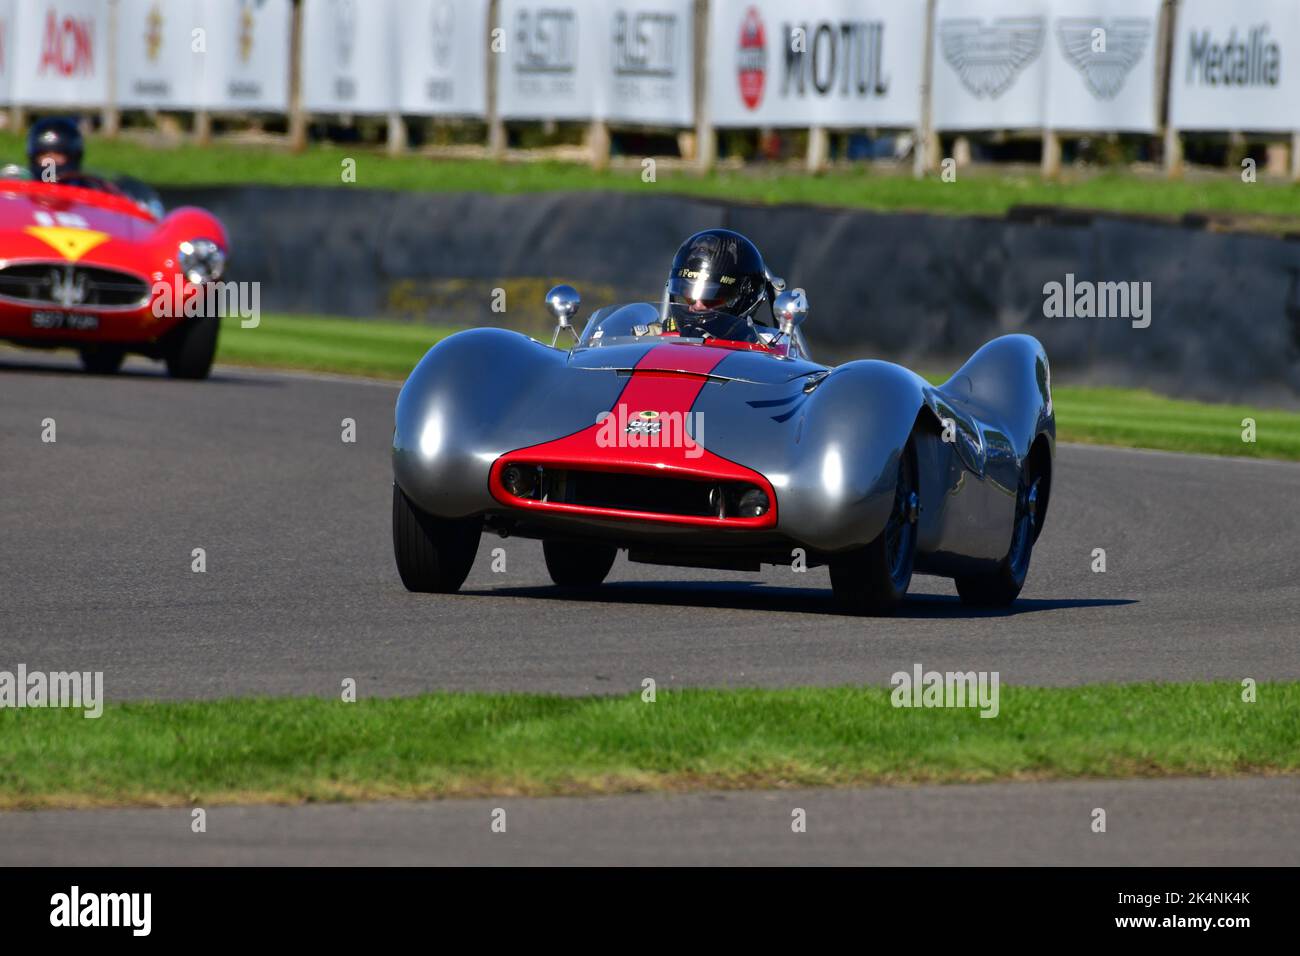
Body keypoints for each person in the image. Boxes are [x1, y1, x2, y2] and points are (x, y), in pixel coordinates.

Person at [27, 116, 84, 184]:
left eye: (57, 155)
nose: (50, 161)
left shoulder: (86, 187)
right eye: (44, 154)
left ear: (73, 157)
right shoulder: (23, 187)